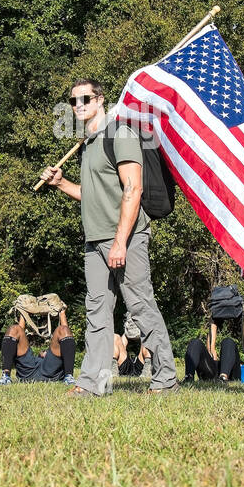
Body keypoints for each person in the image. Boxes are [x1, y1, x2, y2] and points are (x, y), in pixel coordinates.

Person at [40, 79, 179, 397]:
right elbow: (91, 195)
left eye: (85, 98)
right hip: (94, 241)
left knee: (141, 306)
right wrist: (61, 184)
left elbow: (133, 189)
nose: (79, 105)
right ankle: (93, 383)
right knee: (97, 312)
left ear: (100, 100)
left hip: (126, 238)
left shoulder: (121, 133)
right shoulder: (87, 144)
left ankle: (166, 378)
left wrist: (120, 241)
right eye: (74, 101)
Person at [184, 286, 244, 385]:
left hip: (233, 376)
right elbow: (211, 349)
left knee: (228, 341)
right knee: (195, 342)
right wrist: (214, 320)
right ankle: (189, 377)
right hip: (213, 374)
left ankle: (224, 377)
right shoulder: (221, 363)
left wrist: (242, 319)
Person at [0, 308, 76, 385]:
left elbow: (65, 332)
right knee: (14, 329)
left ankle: (69, 377)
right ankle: (6, 377)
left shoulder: (50, 356)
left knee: (64, 329)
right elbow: (19, 331)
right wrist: (23, 311)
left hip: (51, 372)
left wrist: (62, 313)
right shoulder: (32, 359)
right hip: (28, 372)